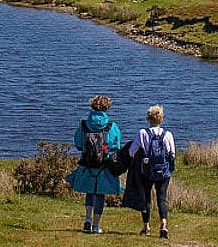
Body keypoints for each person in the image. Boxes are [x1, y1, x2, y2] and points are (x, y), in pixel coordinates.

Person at [65, 94, 122, 233]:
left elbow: (78, 144)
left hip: (87, 164)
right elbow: (116, 145)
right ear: (106, 107)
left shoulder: (84, 125)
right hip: (104, 165)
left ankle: (87, 219)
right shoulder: (112, 126)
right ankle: (96, 226)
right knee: (100, 195)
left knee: (89, 192)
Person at [128, 105, 175, 239]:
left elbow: (132, 152)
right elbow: (172, 153)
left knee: (147, 198)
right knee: (161, 198)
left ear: (148, 118)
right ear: (161, 119)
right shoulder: (168, 134)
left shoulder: (142, 133)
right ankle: (164, 225)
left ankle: (146, 226)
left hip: (147, 170)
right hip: (163, 171)